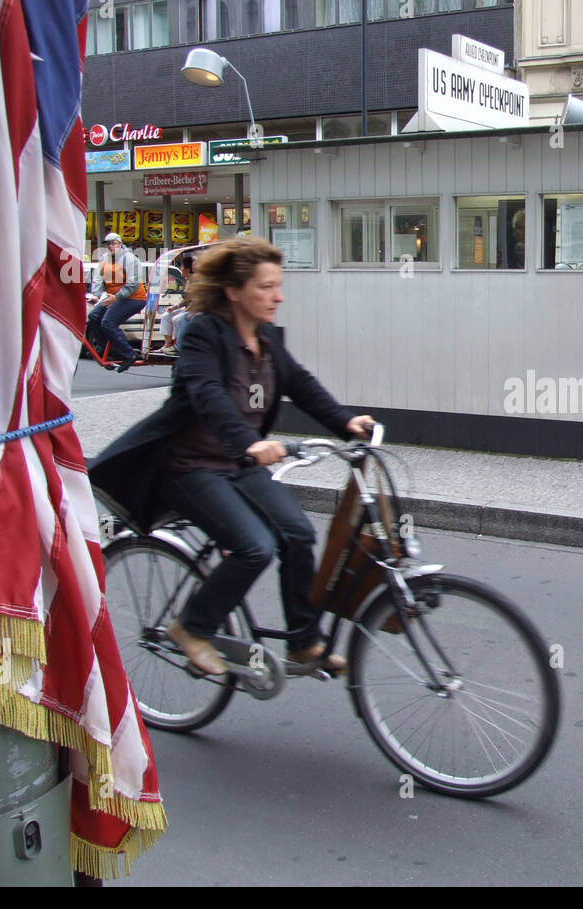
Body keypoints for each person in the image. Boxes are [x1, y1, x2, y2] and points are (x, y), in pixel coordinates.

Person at [90, 237, 376, 676]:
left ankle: (303, 643)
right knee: (254, 547)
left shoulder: (267, 339)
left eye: (278, 286)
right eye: (266, 287)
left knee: (298, 534)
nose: (278, 295)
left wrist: (346, 422)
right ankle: (191, 627)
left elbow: (302, 385)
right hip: (189, 468)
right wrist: (249, 442)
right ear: (234, 291)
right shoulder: (204, 334)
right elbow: (207, 396)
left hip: (236, 466)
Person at [89, 232, 148, 372]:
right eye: (108, 244)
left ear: (120, 244)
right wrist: (97, 295)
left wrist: (115, 298)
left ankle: (129, 354)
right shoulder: (104, 259)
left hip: (134, 298)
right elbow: (98, 279)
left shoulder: (130, 259)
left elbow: (132, 284)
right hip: (113, 297)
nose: (110, 246)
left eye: (114, 243)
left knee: (108, 322)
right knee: (93, 317)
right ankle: (109, 351)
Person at [158, 253, 196, 356]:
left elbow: (197, 299)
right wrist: (175, 306)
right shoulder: (188, 281)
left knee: (177, 319)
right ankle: (167, 344)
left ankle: (177, 345)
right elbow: (186, 299)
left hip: (196, 308)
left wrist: (188, 309)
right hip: (187, 307)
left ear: (187, 269)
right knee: (166, 316)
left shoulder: (197, 281)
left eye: (182, 266)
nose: (180, 268)